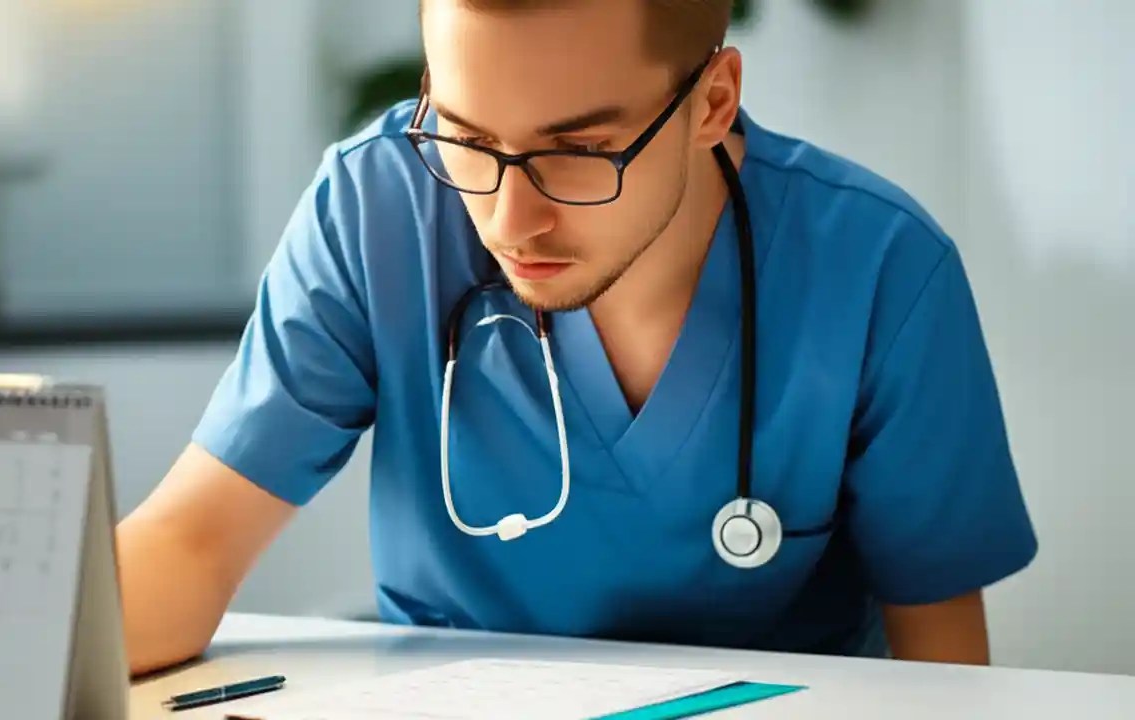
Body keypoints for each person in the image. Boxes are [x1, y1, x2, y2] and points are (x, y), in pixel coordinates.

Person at [116, 0, 1037, 676]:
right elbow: (191, 544)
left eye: (579, 153)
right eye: (467, 137)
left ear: (712, 103)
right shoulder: (377, 209)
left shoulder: (879, 269)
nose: (510, 219)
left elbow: (942, 668)